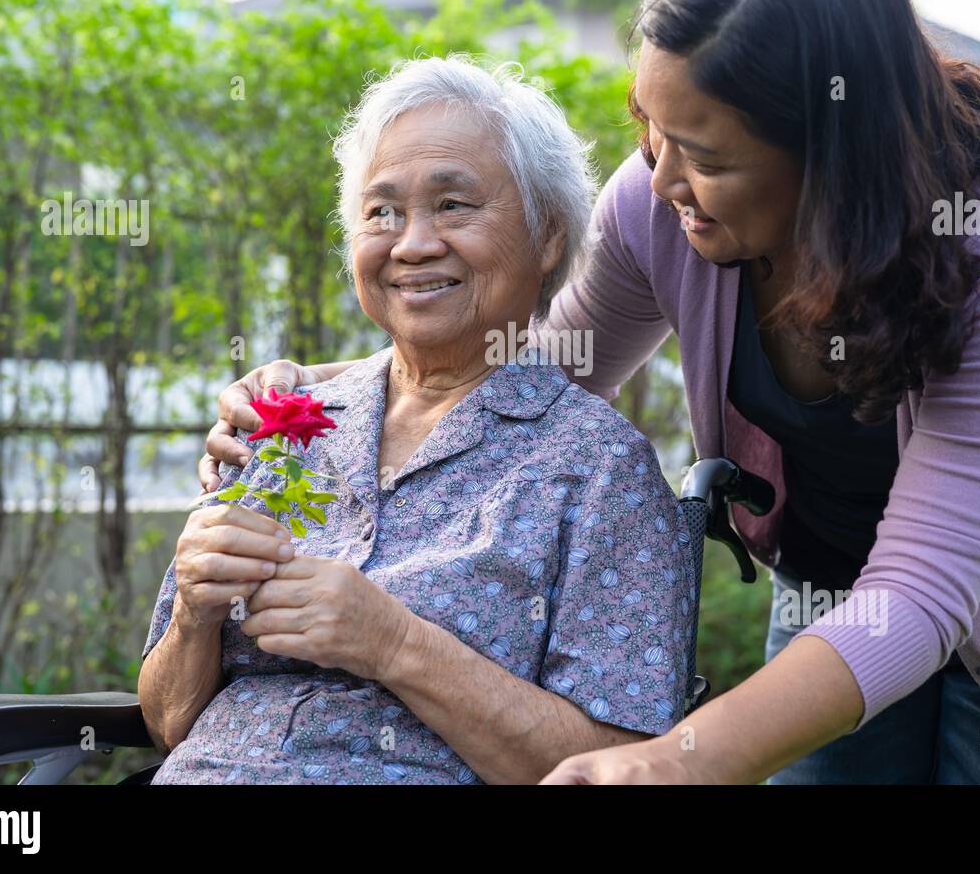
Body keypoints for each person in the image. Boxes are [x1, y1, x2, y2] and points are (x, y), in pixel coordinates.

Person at [203, 0, 980, 784]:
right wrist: (324, 396)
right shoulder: (657, 200)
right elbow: (542, 368)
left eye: (706, 155)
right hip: (836, 566)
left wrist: (683, 755)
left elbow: (924, 595)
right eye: (650, 127)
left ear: (826, 156)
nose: (659, 176)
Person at [140, 56, 698, 784]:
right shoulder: (282, 428)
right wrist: (194, 612)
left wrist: (394, 643)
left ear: (549, 238)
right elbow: (166, 725)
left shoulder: (597, 469)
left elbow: (618, 766)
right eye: (382, 213)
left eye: (454, 206)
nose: (411, 243)